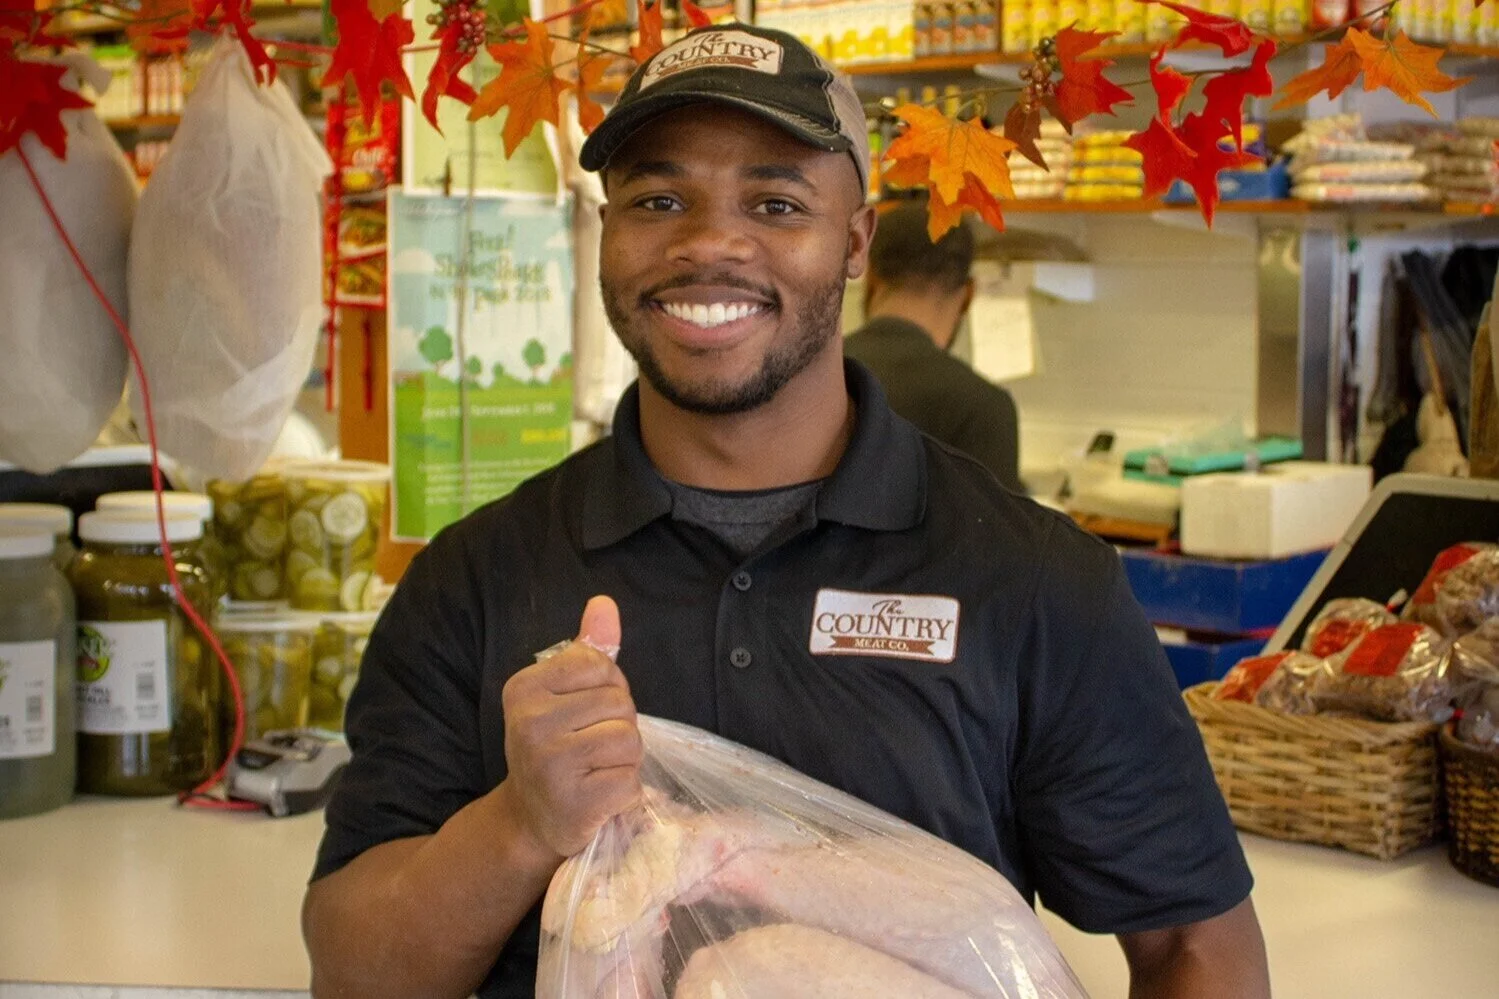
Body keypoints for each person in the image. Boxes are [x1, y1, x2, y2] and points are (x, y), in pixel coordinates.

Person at [302, 22, 1270, 999]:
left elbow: (1199, 951)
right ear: (607, 234)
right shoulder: (476, 579)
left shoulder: (1032, 581)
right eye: (656, 197)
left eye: (774, 201)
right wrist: (518, 822)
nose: (709, 243)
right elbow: (353, 970)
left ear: (853, 243)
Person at [844, 201, 1023, 492]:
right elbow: (993, 536)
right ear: (968, 295)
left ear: (871, 278)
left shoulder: (810, 375)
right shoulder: (982, 407)